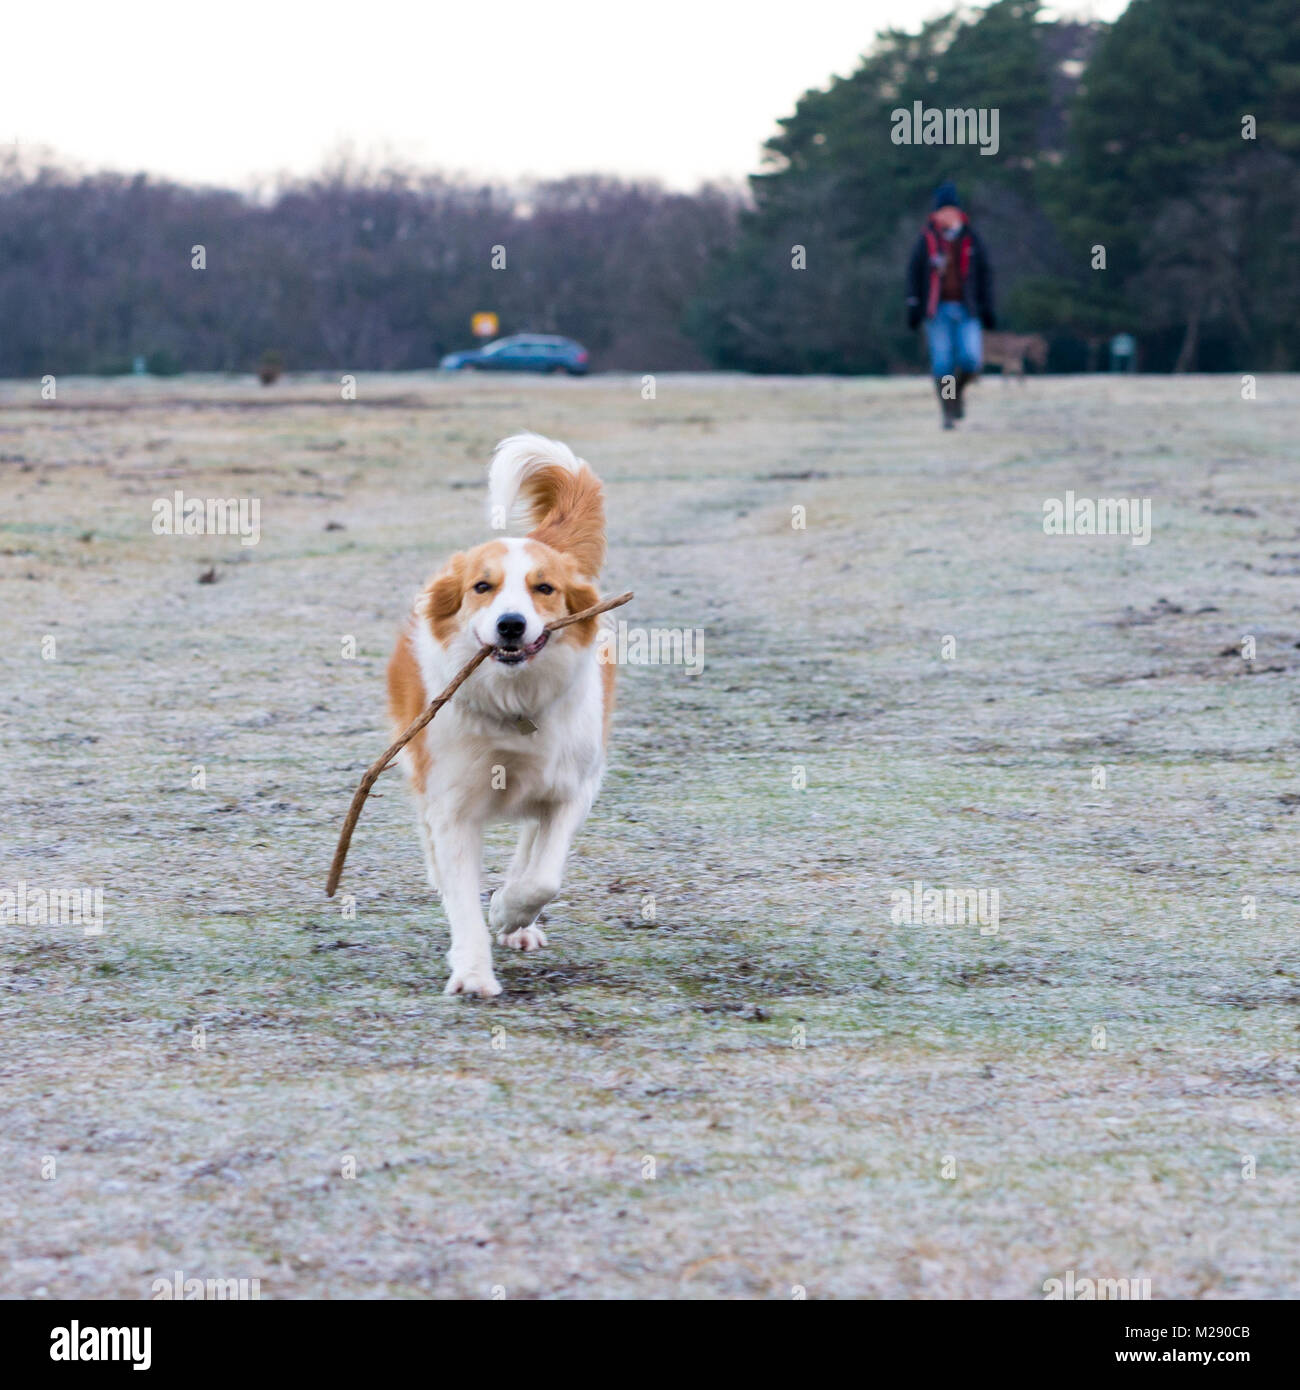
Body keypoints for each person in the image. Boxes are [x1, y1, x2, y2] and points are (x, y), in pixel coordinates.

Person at [906, 181, 996, 429]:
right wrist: (914, 304)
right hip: (937, 311)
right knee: (943, 364)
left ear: (958, 212)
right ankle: (947, 412)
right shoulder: (927, 240)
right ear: (935, 214)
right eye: (941, 211)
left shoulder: (971, 239)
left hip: (967, 310)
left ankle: (956, 393)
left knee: (971, 360)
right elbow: (913, 273)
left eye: (950, 210)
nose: (946, 216)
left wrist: (987, 306)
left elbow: (985, 274)